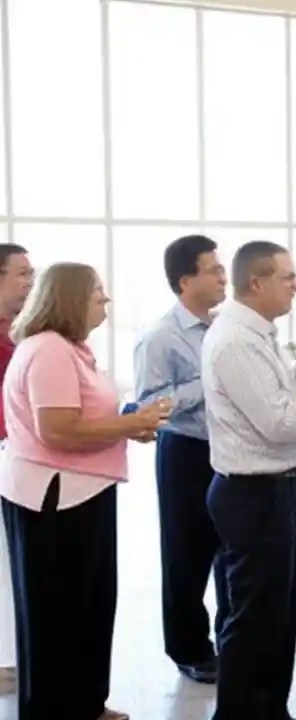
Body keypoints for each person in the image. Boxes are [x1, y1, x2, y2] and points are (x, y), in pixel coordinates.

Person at [1, 263, 169, 720]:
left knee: (90, 606)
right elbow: (57, 429)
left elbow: (84, 421)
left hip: (84, 491)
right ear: (72, 298)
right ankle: (54, 710)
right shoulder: (49, 350)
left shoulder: (72, 349)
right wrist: (132, 423)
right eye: (98, 293)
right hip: (54, 497)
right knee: (56, 614)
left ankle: (83, 703)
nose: (106, 301)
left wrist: (129, 426)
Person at [202, 241, 296, 720]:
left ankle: (269, 711)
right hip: (252, 493)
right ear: (256, 283)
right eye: (288, 277)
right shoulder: (236, 340)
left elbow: (275, 388)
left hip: (273, 490)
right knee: (254, 621)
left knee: (277, 617)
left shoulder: (258, 334)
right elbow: (278, 423)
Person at [133, 234, 229, 684]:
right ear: (185, 280)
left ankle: (232, 643)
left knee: (231, 551)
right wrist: (204, 383)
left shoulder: (223, 327)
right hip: (185, 453)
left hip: (228, 450)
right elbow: (149, 403)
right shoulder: (160, 337)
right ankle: (189, 650)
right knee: (186, 556)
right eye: (212, 269)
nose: (223, 275)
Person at [0, 243, 33, 685]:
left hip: (19, 455)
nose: (29, 282)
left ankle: (11, 652)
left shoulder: (23, 334)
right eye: (22, 274)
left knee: (12, 560)